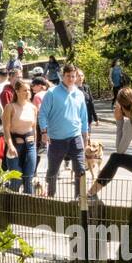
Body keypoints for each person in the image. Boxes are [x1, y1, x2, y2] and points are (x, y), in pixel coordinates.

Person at [37, 62, 90, 198]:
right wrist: (44, 132)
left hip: (75, 137)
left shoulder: (79, 94)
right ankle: (51, 196)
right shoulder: (52, 93)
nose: (71, 79)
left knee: (80, 169)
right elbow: (42, 113)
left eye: (73, 76)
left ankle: (79, 199)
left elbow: (84, 117)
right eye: (68, 76)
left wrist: (86, 136)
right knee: (53, 171)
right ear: (62, 76)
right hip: (56, 139)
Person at [89, 87, 132, 198]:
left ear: (120, 106)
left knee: (116, 158)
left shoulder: (129, 124)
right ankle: (91, 193)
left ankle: (90, 193)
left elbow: (120, 150)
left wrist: (119, 121)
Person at [3, 78, 38, 193]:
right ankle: (12, 206)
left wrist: (35, 146)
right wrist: (10, 145)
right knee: (16, 180)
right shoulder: (10, 107)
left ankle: (29, 208)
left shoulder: (33, 108)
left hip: (30, 145)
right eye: (24, 90)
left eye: (29, 90)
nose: (28, 93)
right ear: (17, 91)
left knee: (28, 179)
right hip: (15, 146)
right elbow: (6, 129)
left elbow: (34, 128)